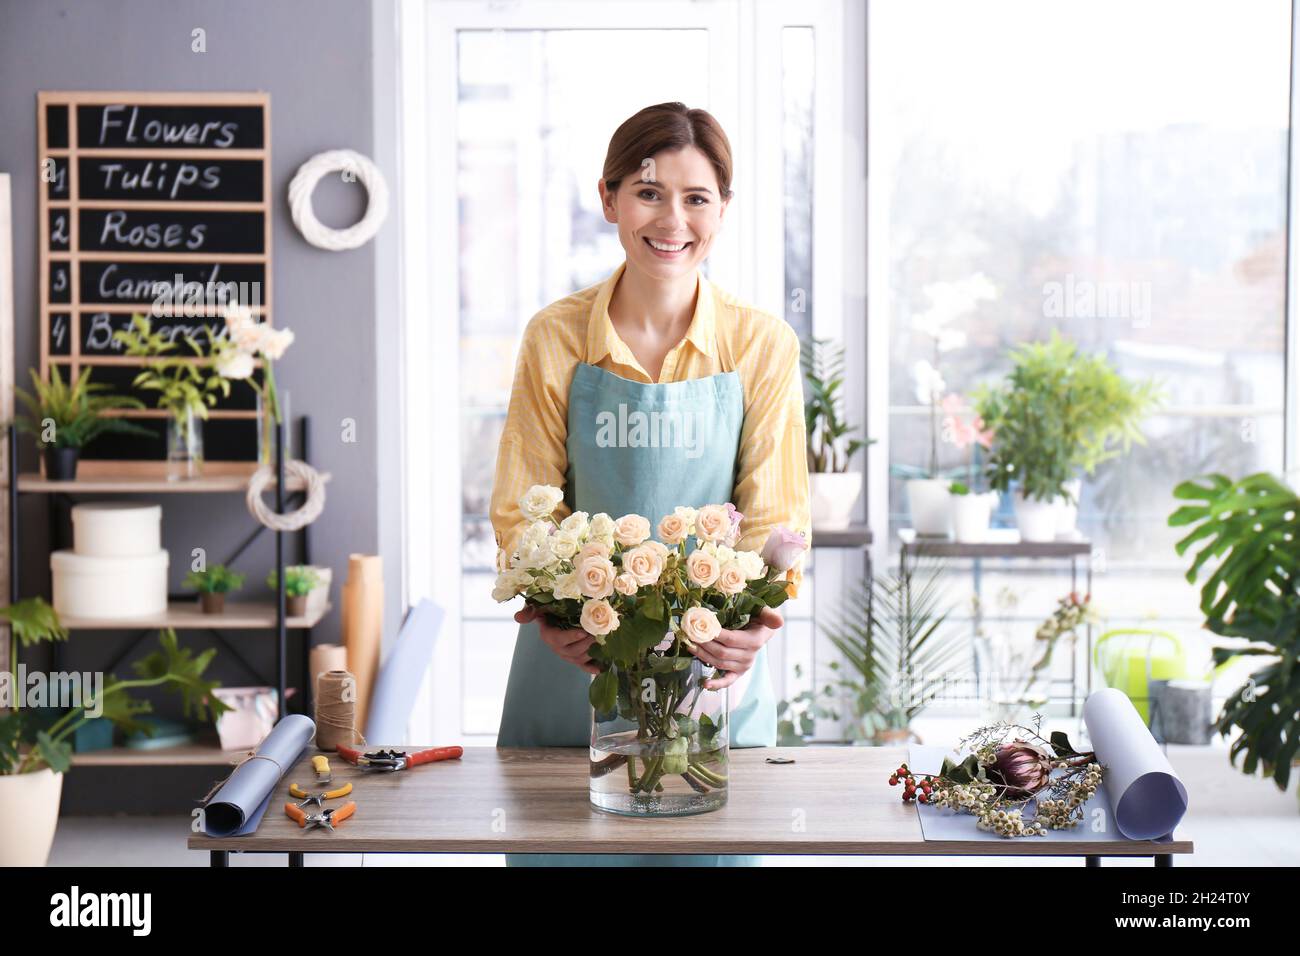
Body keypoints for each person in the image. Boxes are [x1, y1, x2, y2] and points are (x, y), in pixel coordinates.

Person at [489, 101, 812, 866]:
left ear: (723, 209)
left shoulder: (761, 344)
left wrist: (745, 630)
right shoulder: (556, 337)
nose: (673, 219)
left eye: (696, 197)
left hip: (711, 667)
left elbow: (775, 517)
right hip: (573, 668)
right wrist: (556, 615)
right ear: (609, 199)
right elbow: (522, 511)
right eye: (648, 193)